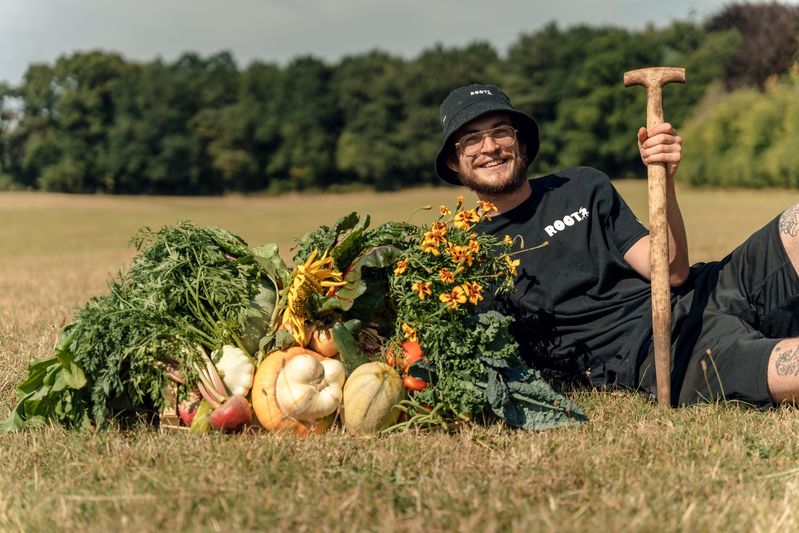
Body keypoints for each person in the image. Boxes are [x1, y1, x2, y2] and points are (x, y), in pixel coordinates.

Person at [434, 83, 799, 406]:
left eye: (500, 131)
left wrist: (665, 180)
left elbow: (671, 272)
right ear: (454, 162)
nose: (490, 147)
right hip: (655, 352)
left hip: (705, 290)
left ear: (520, 141)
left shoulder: (581, 185)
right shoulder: (466, 257)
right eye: (471, 139)